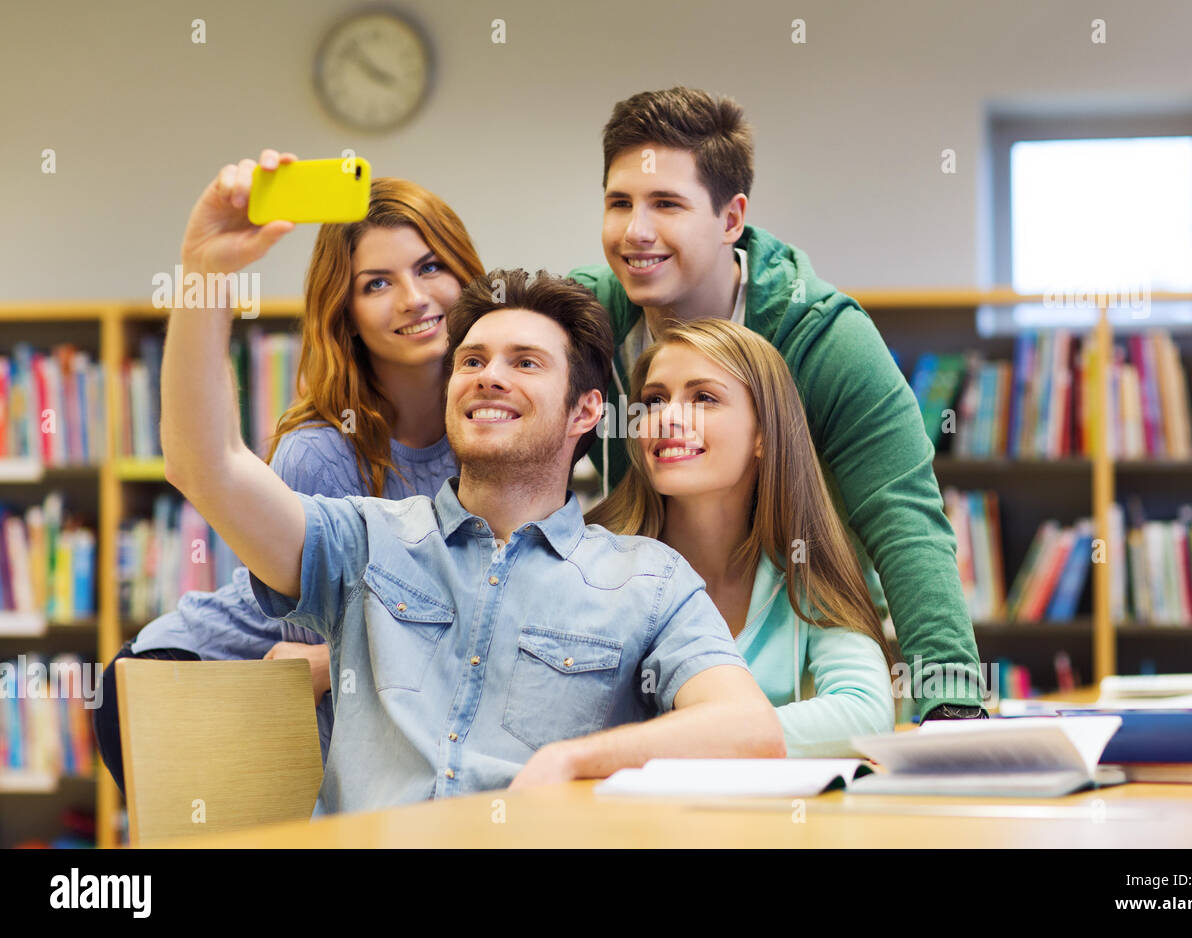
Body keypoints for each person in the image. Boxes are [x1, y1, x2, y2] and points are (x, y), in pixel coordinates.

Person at [158, 150, 784, 814]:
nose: (490, 376)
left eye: (526, 362)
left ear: (586, 411)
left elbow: (750, 731)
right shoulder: (362, 540)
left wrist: (573, 761)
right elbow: (203, 464)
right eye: (473, 359)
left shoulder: (648, 581)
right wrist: (206, 272)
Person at [569, 87, 987, 720]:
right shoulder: (587, 320)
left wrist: (952, 704)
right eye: (619, 203)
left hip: (794, 630)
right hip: (647, 620)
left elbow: (904, 519)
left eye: (667, 204)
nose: (636, 232)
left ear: (731, 219)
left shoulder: (826, 337)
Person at [92, 174, 482, 796]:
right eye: (376, 283)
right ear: (346, 315)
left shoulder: (493, 432)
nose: (412, 298)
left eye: (431, 266)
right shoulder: (320, 455)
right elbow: (312, 675)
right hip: (202, 676)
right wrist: (344, 658)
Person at [587, 319, 895, 754]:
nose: (667, 418)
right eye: (654, 400)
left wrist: (677, 744)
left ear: (764, 435)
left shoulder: (804, 570)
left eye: (704, 398)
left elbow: (865, 714)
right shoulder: (591, 562)